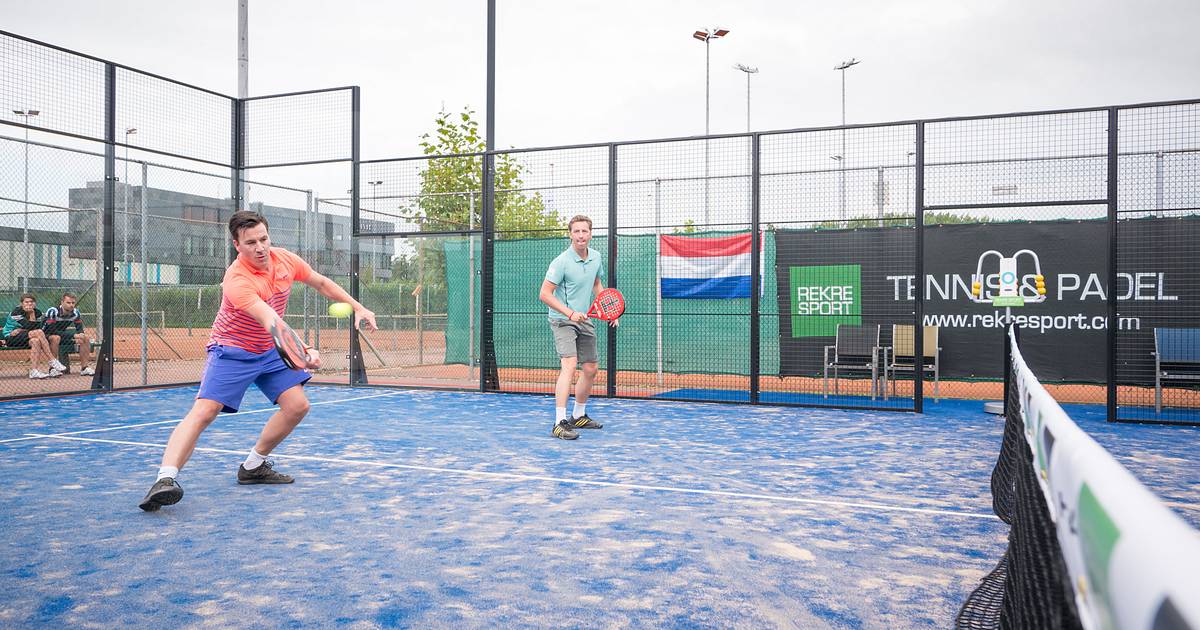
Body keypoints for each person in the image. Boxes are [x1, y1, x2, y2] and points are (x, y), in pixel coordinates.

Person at [139, 210, 377, 512]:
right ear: (237, 245)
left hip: (268, 351)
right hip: (233, 350)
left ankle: (253, 466)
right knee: (204, 411)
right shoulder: (237, 280)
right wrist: (304, 354)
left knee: (297, 406)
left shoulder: (284, 260)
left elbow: (321, 282)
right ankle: (165, 480)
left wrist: (358, 307)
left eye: (263, 239)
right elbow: (271, 320)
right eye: (251, 242)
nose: (260, 247)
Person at [538, 215, 618, 440]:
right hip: (562, 319)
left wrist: (610, 310)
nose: (581, 235)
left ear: (590, 234)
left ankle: (578, 416)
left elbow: (596, 284)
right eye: (576, 232)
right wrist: (570, 312)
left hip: (584, 319)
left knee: (591, 369)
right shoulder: (561, 261)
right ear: (570, 234)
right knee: (570, 366)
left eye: (585, 231)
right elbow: (544, 294)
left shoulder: (596, 257)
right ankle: (559, 422)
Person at [2, 294, 62, 379]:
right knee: (38, 333)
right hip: (11, 338)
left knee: (39, 340)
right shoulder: (16, 312)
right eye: (26, 302)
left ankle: (34, 371)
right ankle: (52, 360)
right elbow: (30, 326)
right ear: (21, 303)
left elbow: (37, 328)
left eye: (31, 302)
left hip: (27, 336)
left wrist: (32, 313)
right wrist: (27, 328)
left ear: (35, 304)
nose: (29, 304)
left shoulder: (37, 312)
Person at [43, 292, 95, 376]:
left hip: (62, 336)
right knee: (56, 338)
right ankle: (52, 369)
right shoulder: (53, 311)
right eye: (68, 302)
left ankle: (84, 368)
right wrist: (74, 335)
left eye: (73, 303)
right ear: (62, 302)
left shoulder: (76, 313)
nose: (71, 305)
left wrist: (80, 335)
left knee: (85, 338)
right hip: (46, 336)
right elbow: (52, 331)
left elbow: (79, 329)